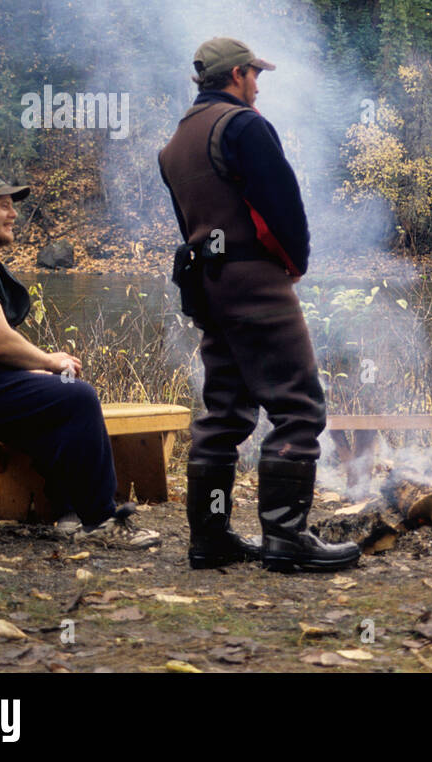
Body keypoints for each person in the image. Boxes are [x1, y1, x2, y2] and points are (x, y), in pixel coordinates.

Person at [158, 36, 358, 572]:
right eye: (255, 76)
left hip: (208, 283)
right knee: (299, 407)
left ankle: (211, 537)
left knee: (223, 411)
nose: (259, 85)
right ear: (238, 74)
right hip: (255, 279)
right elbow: (282, 203)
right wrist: (293, 266)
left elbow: (188, 224)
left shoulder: (175, 142)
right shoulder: (243, 126)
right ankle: (287, 538)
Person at [0, 174, 160, 549]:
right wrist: (49, 361)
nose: (14, 214)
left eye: (14, 206)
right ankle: (102, 520)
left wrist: (36, 371)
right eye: (4, 205)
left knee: (55, 398)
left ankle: (70, 512)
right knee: (77, 396)